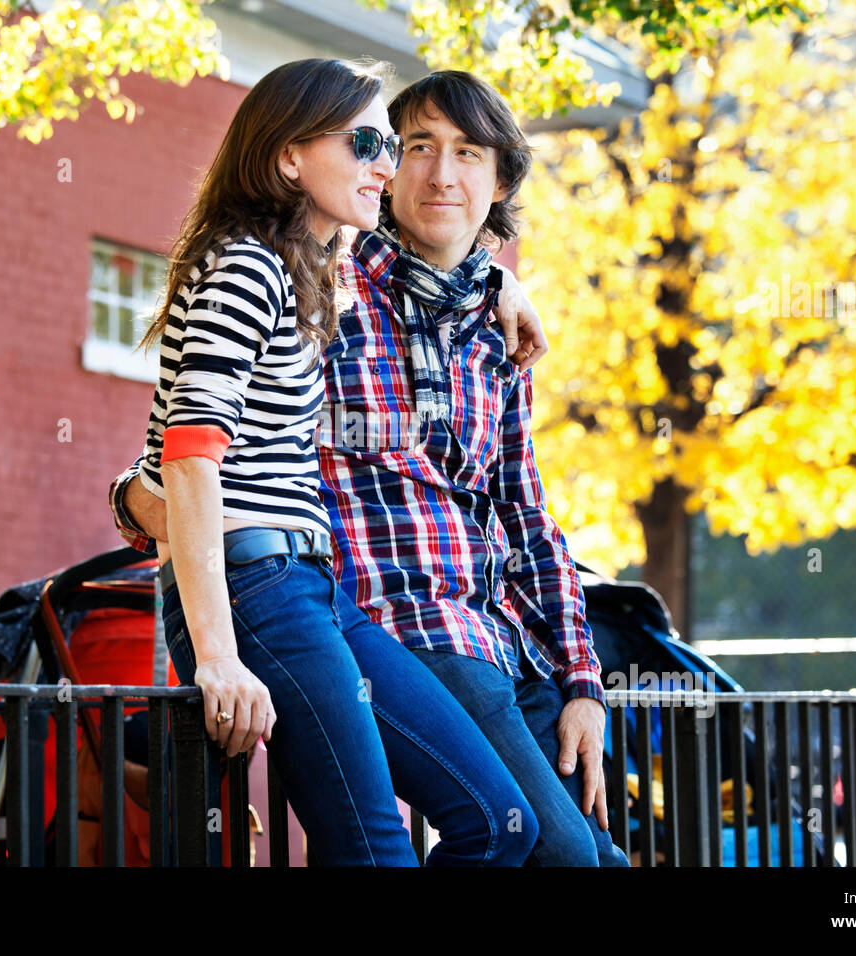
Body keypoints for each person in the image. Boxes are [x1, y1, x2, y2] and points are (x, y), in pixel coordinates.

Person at [114, 70, 628, 867]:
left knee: (526, 837)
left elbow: (529, 518)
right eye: (398, 145)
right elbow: (184, 454)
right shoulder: (306, 279)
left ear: (500, 183)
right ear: (291, 157)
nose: (409, 169)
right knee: (533, 853)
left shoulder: (455, 322)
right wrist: (206, 636)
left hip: (464, 628)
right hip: (365, 612)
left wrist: (582, 678)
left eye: (464, 154)